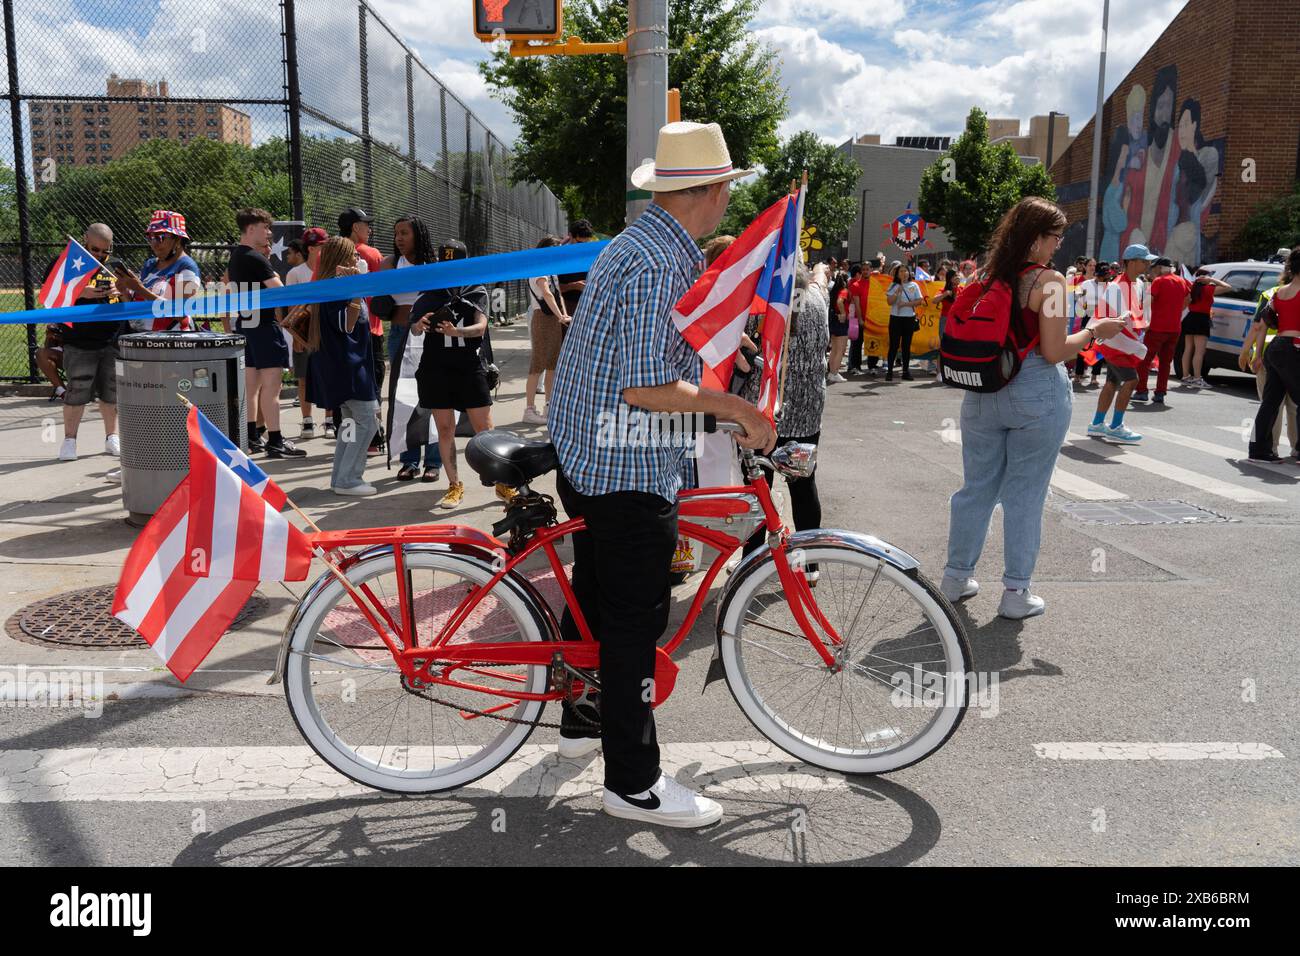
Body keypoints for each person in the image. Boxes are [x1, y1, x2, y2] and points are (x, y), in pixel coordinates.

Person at [547, 121, 775, 827]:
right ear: (708, 192)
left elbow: (647, 366)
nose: (731, 202)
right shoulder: (658, 261)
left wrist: (715, 384)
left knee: (594, 595)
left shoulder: (643, 244)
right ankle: (634, 785)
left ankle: (586, 713)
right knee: (633, 620)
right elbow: (646, 387)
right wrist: (734, 405)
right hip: (621, 459)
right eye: (728, 189)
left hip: (593, 447)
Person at [941, 197, 1124, 619]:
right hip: (1035, 392)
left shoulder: (988, 275)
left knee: (976, 487)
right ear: (1038, 237)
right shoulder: (1051, 282)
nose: (1058, 245)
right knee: (1025, 494)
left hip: (982, 392)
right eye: (1056, 236)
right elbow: (1056, 349)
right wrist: (1096, 331)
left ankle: (955, 577)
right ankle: (1015, 592)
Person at [410, 240, 511, 509]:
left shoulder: (475, 289)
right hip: (436, 367)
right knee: (445, 429)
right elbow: (415, 329)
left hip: (468, 365)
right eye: (446, 264)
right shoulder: (431, 289)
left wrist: (457, 332)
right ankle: (454, 484)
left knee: (485, 429)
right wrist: (420, 324)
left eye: (455, 263)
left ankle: (501, 482)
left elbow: (480, 327)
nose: (450, 269)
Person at [740, 258, 828, 555]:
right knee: (804, 487)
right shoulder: (817, 298)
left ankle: (750, 558)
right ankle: (811, 560)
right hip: (807, 411)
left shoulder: (763, 305)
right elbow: (821, 280)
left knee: (757, 488)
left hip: (764, 412)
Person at [223, 208, 305, 458]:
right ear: (251, 229)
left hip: (247, 329)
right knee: (272, 388)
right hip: (264, 329)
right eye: (265, 227)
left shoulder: (236, 257)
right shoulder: (256, 258)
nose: (269, 233)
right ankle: (276, 440)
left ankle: (252, 437)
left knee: (252, 387)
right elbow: (281, 291)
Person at [305, 237, 378, 495]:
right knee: (368, 420)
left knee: (349, 422)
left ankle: (340, 477)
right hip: (346, 366)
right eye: (353, 256)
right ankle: (349, 479)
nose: (357, 261)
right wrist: (356, 289)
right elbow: (346, 325)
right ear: (343, 259)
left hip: (348, 364)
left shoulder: (336, 285)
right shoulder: (336, 288)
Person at [52, 222, 122, 463]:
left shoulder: (114, 267)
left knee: (111, 392)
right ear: (84, 242)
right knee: (77, 390)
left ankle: (111, 436)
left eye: (105, 250)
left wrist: (118, 290)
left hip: (111, 340)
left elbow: (129, 295)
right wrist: (81, 292)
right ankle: (69, 440)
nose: (101, 255)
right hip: (78, 341)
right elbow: (52, 297)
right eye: (95, 250)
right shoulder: (67, 265)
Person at [381, 215, 443, 482]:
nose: (399, 238)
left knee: (432, 397)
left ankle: (434, 461)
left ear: (418, 234)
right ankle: (408, 461)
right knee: (404, 398)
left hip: (429, 336)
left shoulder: (434, 265)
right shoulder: (389, 264)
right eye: (396, 233)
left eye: (404, 233)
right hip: (399, 335)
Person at [1086, 244, 1155, 444]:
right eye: (1144, 261)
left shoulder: (1137, 284)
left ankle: (1097, 424)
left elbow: (1133, 315)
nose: (1147, 264)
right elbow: (1111, 316)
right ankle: (1115, 426)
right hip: (1115, 342)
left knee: (1112, 382)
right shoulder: (1118, 286)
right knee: (1131, 381)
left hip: (1119, 342)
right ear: (1132, 262)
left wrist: (1141, 324)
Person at [1245, 249, 1300, 464]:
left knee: (1270, 401)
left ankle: (1259, 450)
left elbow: (1263, 324)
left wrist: (1258, 354)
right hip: (1294, 348)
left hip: (1275, 348)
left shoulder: (1279, 292)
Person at [338, 207, 385, 456]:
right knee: (370, 389)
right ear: (355, 228)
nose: (369, 228)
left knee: (343, 395)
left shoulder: (329, 252)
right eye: (366, 224)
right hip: (368, 331)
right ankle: (373, 440)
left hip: (337, 332)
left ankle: (346, 440)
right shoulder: (370, 253)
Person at [115, 210, 201, 332]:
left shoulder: (187, 267)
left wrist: (139, 288)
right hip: (144, 337)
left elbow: (181, 313)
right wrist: (124, 292)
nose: (153, 244)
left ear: (177, 240)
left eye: (159, 238)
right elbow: (139, 309)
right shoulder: (150, 265)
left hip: (174, 341)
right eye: (150, 238)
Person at [523, 235, 570, 425]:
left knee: (552, 365)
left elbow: (558, 296)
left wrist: (563, 315)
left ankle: (549, 406)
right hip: (543, 319)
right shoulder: (539, 269)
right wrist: (561, 315)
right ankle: (529, 409)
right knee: (538, 365)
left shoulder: (551, 270)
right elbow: (548, 294)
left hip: (553, 320)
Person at [1134, 257, 1188, 405]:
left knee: (1144, 360)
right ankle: (1160, 393)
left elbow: (1148, 301)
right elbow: (1188, 298)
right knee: (1165, 362)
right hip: (1174, 328)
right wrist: (1176, 311)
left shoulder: (1159, 281)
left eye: (1154, 268)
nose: (1153, 271)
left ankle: (1142, 391)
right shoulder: (1181, 281)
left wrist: (1139, 317)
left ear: (1160, 268)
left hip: (1157, 327)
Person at [283, 235, 319, 438]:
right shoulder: (295, 273)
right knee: (304, 378)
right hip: (304, 333)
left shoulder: (329, 270)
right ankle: (307, 421)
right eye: (317, 245)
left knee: (327, 376)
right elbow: (291, 307)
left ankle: (330, 420)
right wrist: (296, 336)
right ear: (310, 249)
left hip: (325, 332)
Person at [1181, 268, 1231, 387]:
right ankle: (1197, 378)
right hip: (1201, 319)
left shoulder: (1191, 287)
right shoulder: (1208, 289)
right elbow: (1228, 287)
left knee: (1188, 348)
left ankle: (1185, 376)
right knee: (1199, 351)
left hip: (1189, 317)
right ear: (1205, 278)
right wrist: (1212, 280)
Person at [885, 263, 926, 381]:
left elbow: (919, 301)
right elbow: (889, 301)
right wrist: (897, 291)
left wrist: (905, 304)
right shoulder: (893, 285)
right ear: (897, 274)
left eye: (905, 271)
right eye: (901, 271)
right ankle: (890, 371)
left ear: (909, 273)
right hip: (895, 318)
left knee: (906, 346)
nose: (904, 273)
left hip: (909, 318)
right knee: (893, 345)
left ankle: (905, 371)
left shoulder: (914, 285)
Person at [557, 218, 597, 320]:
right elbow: (551, 288)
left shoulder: (592, 254)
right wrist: (574, 286)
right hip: (566, 309)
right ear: (570, 236)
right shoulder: (559, 256)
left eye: (586, 243)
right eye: (579, 242)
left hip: (588, 307)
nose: (583, 247)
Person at [826, 267, 850, 382]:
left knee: (834, 349)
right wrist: (844, 313)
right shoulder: (844, 290)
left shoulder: (833, 290)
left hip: (833, 320)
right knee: (840, 349)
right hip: (841, 320)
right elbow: (840, 301)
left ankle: (832, 372)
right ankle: (834, 373)